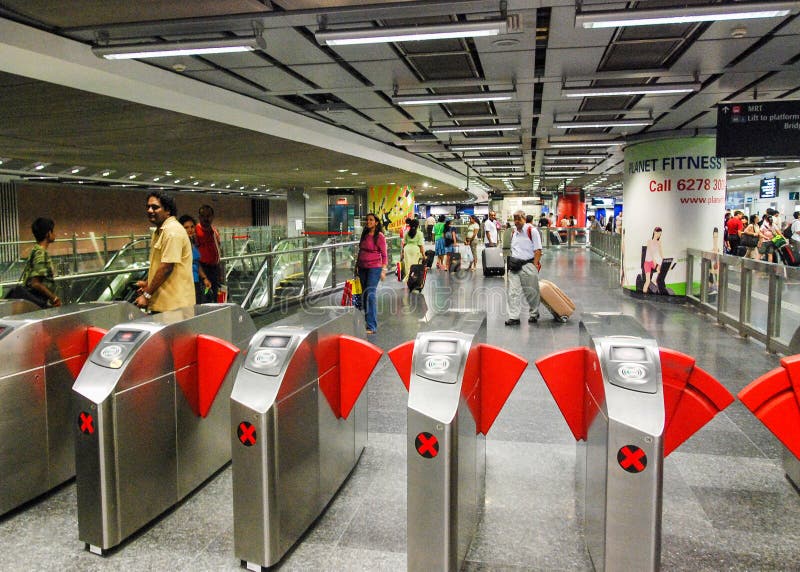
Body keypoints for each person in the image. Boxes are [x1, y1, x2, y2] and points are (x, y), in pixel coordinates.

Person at [135, 192, 194, 312]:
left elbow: (166, 267)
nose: (150, 210)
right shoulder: (160, 231)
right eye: (148, 207)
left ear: (168, 211)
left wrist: (146, 295)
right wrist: (148, 283)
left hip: (174, 307)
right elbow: (159, 265)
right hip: (163, 304)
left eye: (155, 207)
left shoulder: (172, 231)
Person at [505, 211, 542, 326]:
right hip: (515, 266)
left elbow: (538, 250)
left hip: (528, 265)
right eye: (514, 219)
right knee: (513, 292)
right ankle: (514, 317)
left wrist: (534, 265)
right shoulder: (514, 233)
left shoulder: (532, 231)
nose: (516, 222)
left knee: (531, 292)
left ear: (524, 219)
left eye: (518, 219)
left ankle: (534, 313)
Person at [18, 217, 61, 308]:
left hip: (35, 299)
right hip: (37, 300)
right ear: (48, 234)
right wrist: (54, 298)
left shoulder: (36, 249)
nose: (55, 234)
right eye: (52, 231)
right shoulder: (41, 253)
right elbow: (35, 283)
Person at [356, 213, 388, 335]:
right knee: (364, 295)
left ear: (376, 222)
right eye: (367, 220)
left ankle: (372, 326)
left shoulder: (380, 236)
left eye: (371, 220)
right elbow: (360, 250)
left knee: (370, 294)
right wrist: (356, 266)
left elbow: (384, 254)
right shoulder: (364, 234)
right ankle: (366, 322)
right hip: (362, 267)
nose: (368, 222)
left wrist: (384, 270)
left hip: (374, 268)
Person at [179, 214, 213, 303]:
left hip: (196, 281)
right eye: (186, 227)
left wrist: (204, 278)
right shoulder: (180, 244)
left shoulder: (192, 242)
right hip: (186, 284)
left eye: (192, 227)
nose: (190, 229)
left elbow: (196, 263)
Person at [195, 204, 224, 301]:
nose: (205, 219)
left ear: (212, 217)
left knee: (215, 296)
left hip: (214, 270)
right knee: (205, 297)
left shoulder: (214, 231)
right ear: (199, 217)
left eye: (208, 216)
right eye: (203, 216)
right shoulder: (196, 231)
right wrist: (203, 276)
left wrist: (219, 272)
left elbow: (218, 251)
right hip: (203, 270)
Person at [642, 227, 664, 294]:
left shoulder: (659, 242)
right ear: (654, 232)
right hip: (647, 263)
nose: (659, 235)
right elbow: (651, 253)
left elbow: (661, 253)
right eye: (658, 233)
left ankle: (655, 281)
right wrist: (655, 262)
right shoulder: (649, 241)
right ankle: (644, 294)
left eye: (660, 234)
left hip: (652, 262)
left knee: (661, 270)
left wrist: (664, 260)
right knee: (648, 281)